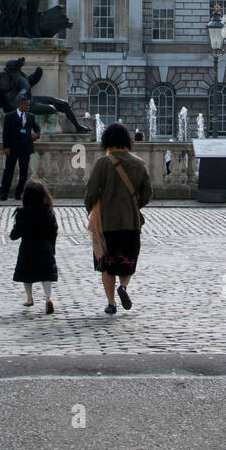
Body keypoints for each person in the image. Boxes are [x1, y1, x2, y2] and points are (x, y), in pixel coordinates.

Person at [84, 122, 152, 315]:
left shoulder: (103, 163)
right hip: (131, 221)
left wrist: (90, 209)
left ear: (107, 141)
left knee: (107, 263)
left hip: (107, 221)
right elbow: (147, 193)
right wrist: (134, 206)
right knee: (127, 260)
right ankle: (123, 287)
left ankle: (111, 302)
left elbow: (91, 191)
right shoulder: (139, 163)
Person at [9, 179, 58, 313]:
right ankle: (48, 298)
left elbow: (16, 232)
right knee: (46, 275)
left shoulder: (23, 213)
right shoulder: (48, 212)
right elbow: (54, 230)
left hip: (28, 248)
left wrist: (13, 234)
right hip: (45, 247)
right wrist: (52, 247)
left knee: (27, 274)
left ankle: (30, 298)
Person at [0, 94, 40, 201]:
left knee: (24, 172)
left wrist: (37, 135)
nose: (28, 107)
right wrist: (6, 147)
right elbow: (5, 133)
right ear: (20, 104)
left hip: (26, 148)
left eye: (29, 105)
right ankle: (3, 194)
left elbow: (37, 128)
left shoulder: (31, 116)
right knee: (8, 171)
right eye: (27, 105)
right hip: (13, 148)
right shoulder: (9, 116)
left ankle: (19, 193)